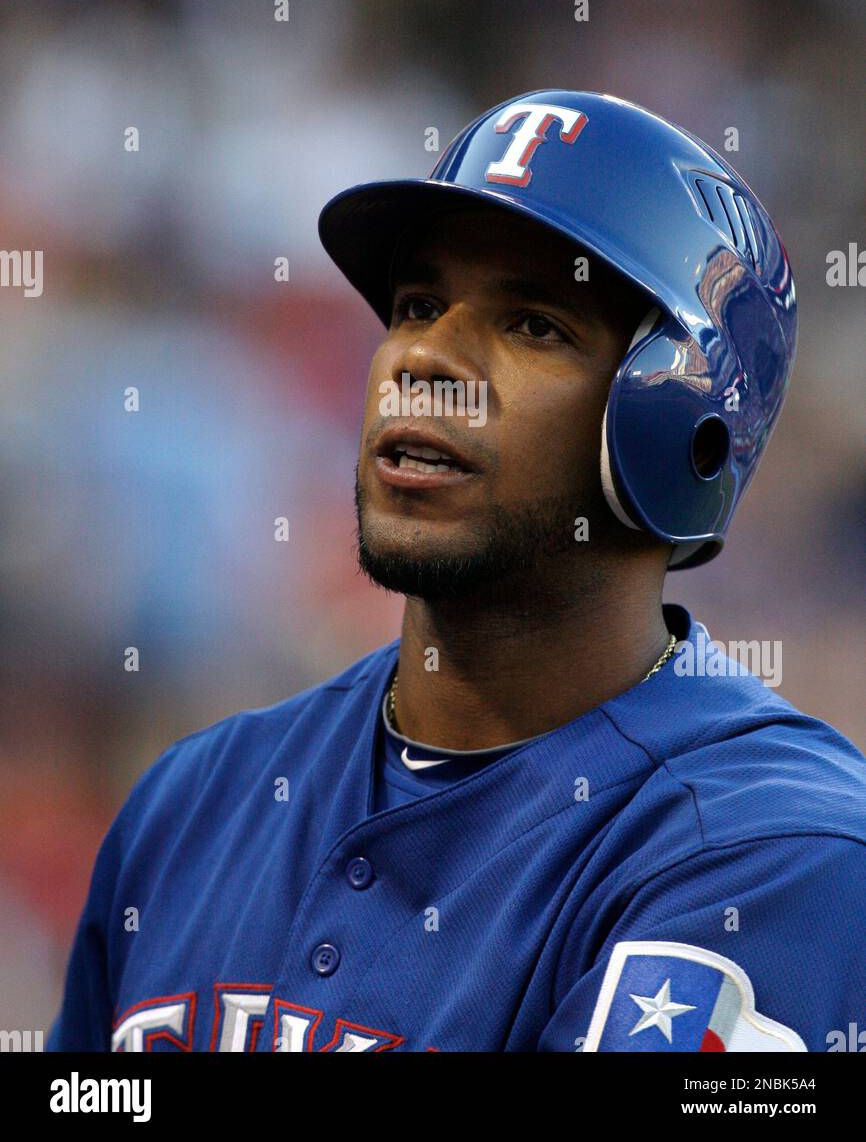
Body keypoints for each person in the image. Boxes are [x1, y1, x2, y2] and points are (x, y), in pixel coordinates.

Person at [47, 91, 866, 1052]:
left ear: (683, 424)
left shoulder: (772, 854)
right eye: (419, 305)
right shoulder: (197, 800)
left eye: (532, 323)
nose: (424, 355)